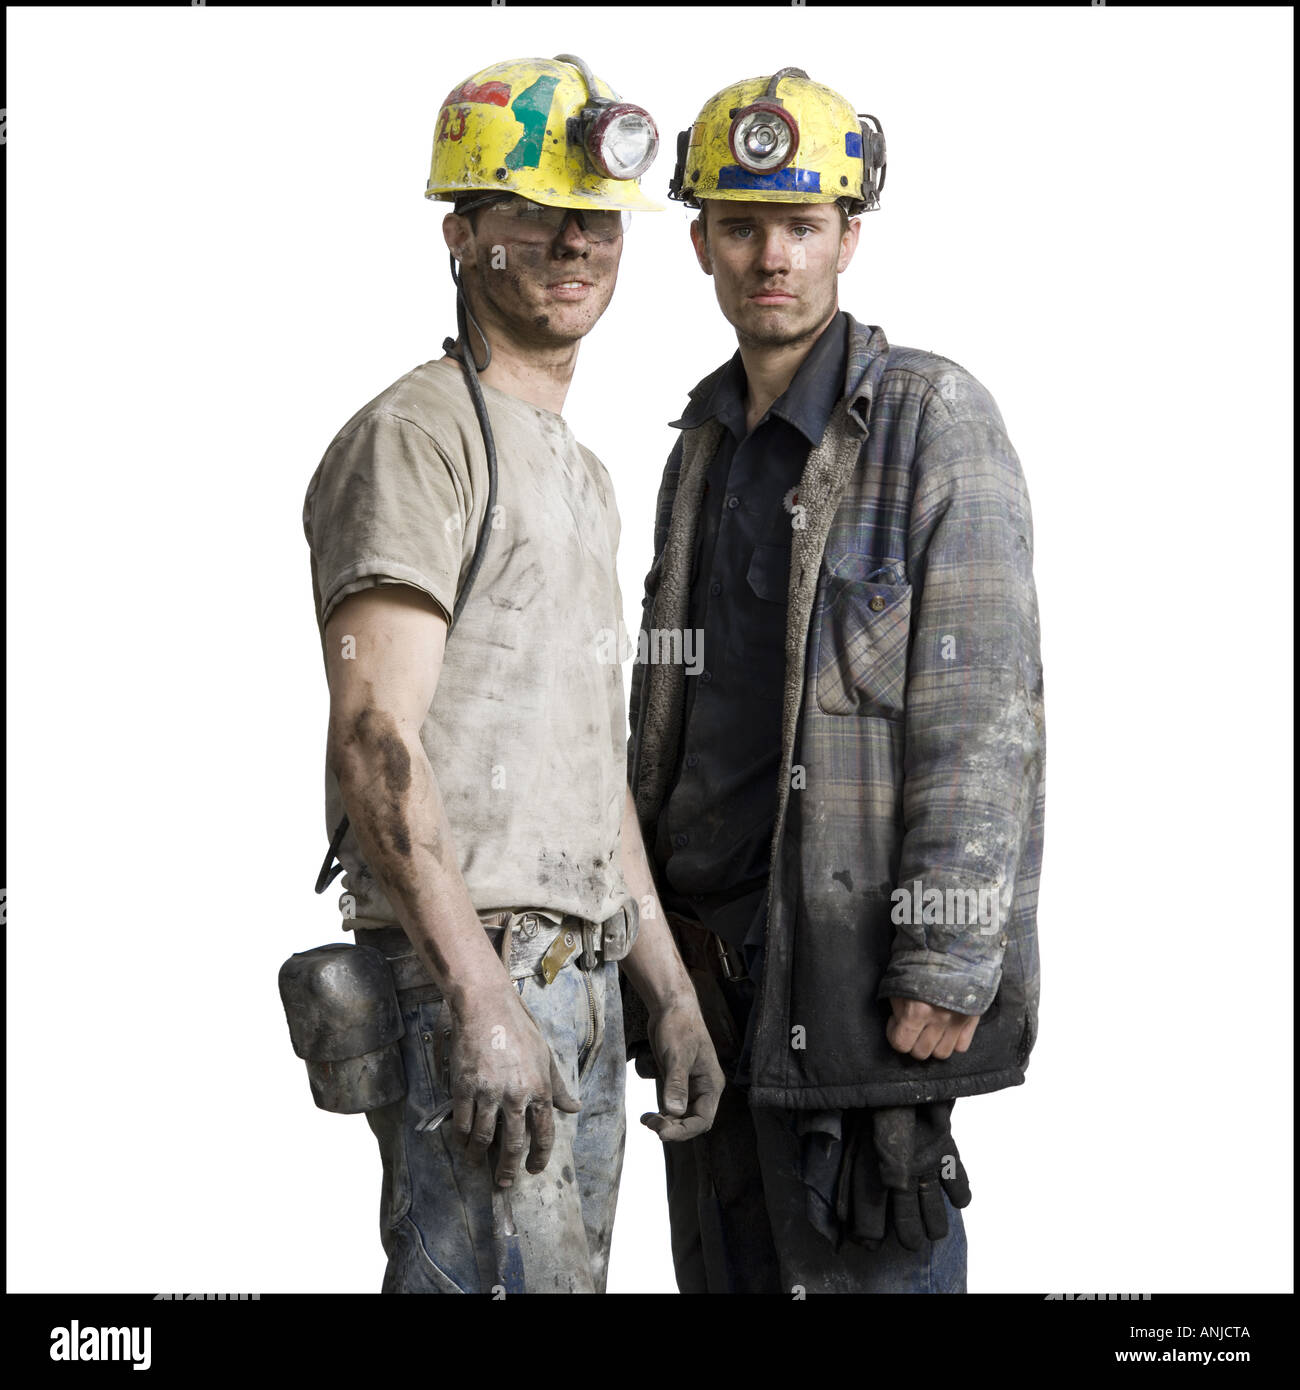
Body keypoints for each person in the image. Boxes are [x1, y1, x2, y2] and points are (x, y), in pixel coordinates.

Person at [301, 55, 722, 1295]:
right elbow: (375, 735)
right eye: (531, 212)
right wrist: (478, 996)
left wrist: (671, 993)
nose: (572, 239)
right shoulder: (420, 434)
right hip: (467, 980)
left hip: (582, 989)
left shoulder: (583, 477)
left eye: (593, 216)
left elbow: (591, 785)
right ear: (460, 231)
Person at [624, 68, 1046, 1294]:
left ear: (847, 236)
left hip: (853, 972)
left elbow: (986, 715)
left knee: (871, 1268)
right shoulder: (698, 444)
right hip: (706, 975)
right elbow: (664, 694)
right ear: (699, 238)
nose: (772, 256)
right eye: (743, 225)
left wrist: (947, 959)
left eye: (801, 226)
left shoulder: (931, 419)